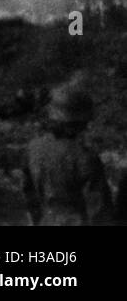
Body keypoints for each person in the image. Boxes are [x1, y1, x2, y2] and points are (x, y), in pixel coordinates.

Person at [21, 79, 113, 225]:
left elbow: (28, 196)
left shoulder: (33, 148)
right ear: (81, 122)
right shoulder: (85, 157)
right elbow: (99, 210)